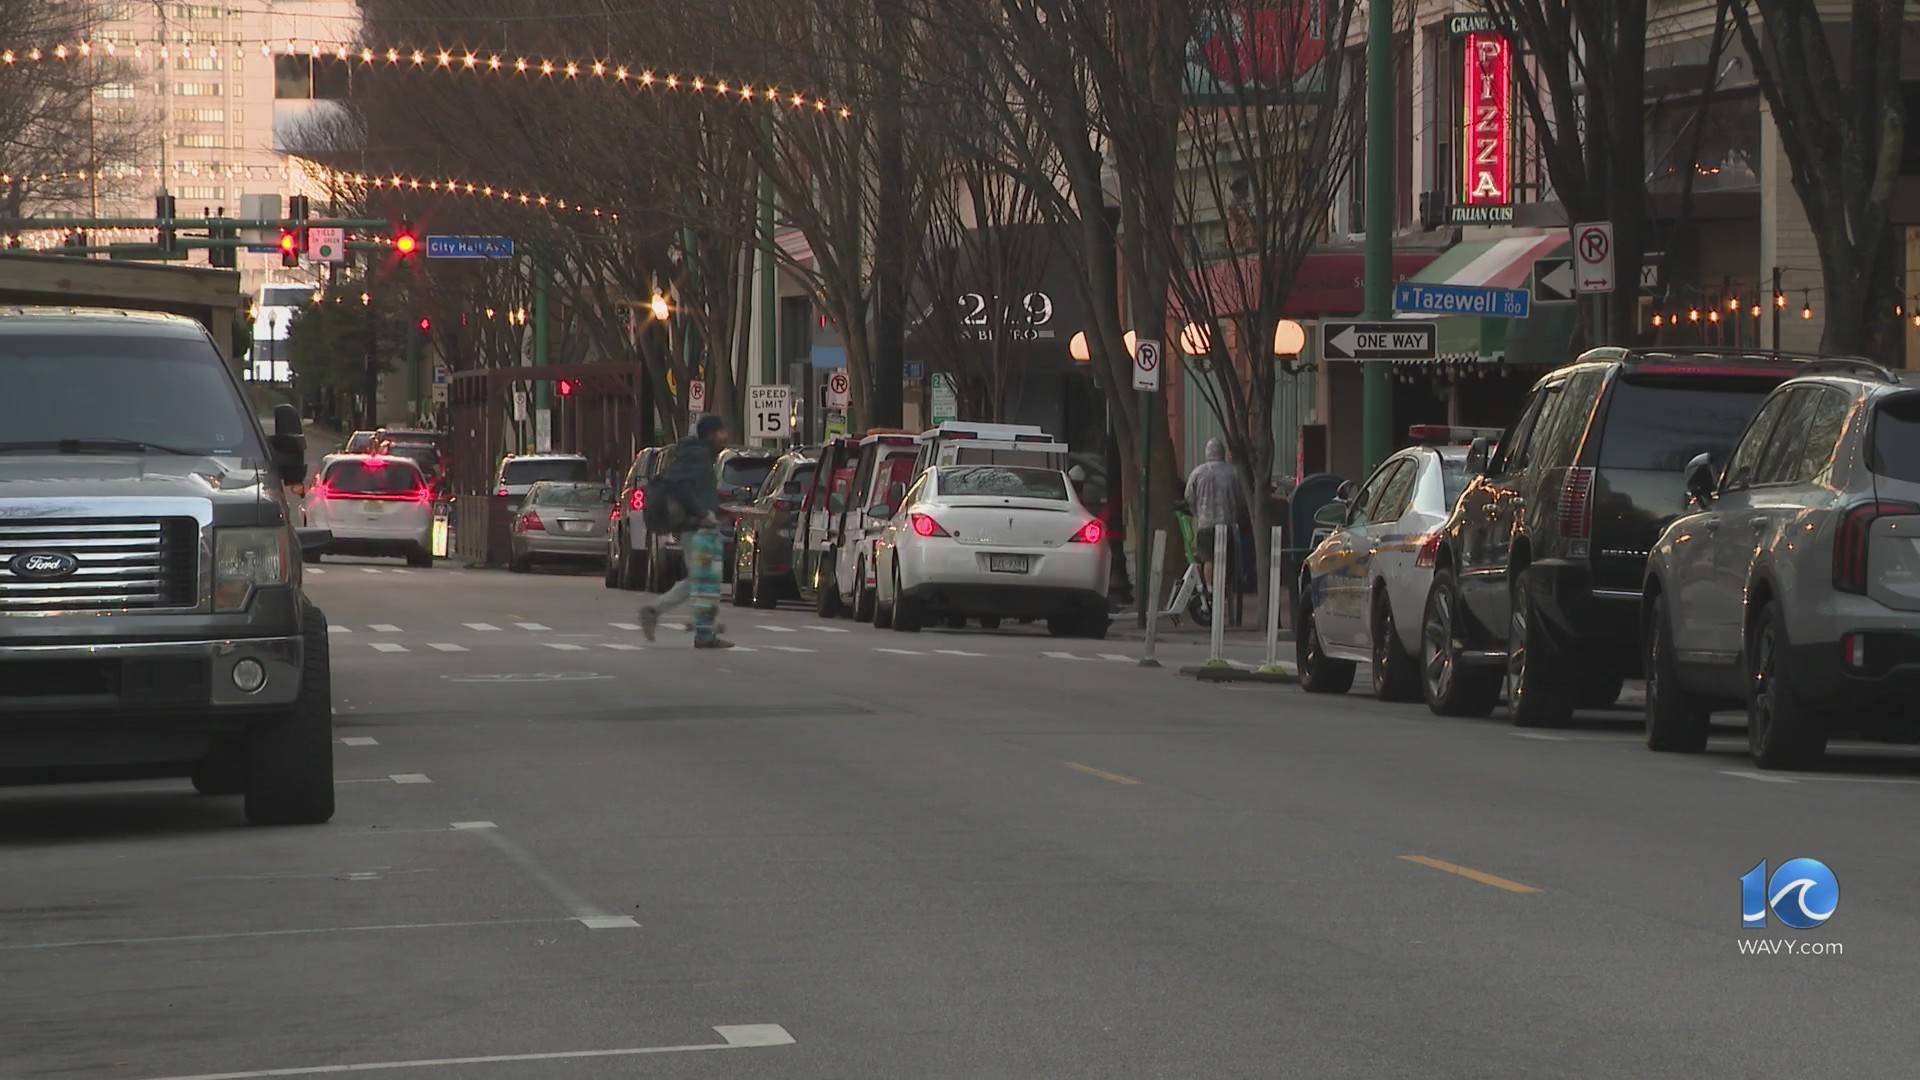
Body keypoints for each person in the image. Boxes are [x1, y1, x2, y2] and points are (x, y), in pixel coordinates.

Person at [639, 415, 734, 649]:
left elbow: (694, 489)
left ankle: (704, 625)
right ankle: (697, 626)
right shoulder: (698, 456)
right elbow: (681, 485)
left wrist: (716, 510)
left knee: (701, 578)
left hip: (697, 525)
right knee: (703, 578)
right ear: (711, 434)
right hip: (696, 527)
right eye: (721, 432)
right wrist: (701, 512)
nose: (725, 436)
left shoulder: (700, 456)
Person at [1184, 437, 1239, 596]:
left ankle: (1209, 588)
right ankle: (1226, 588)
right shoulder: (1232, 472)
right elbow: (1239, 495)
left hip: (1205, 523)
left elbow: (1189, 496)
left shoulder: (1197, 473)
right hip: (1227, 522)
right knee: (1226, 557)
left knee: (1208, 558)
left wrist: (1197, 512)